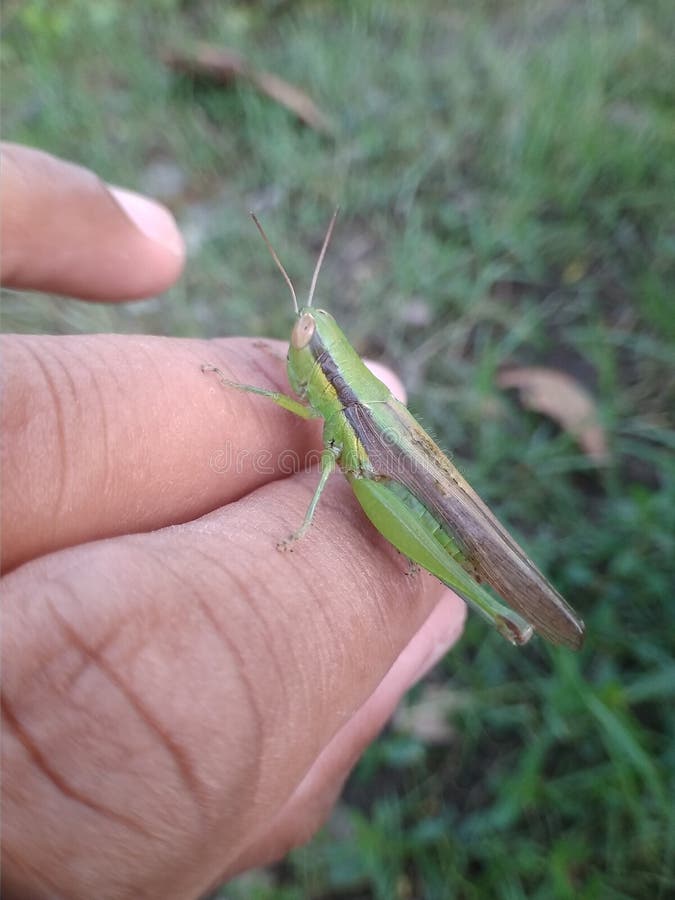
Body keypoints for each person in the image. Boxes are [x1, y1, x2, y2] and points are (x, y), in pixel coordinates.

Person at [0, 143, 465, 900]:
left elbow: (334, 464)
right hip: (378, 450)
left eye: (308, 347)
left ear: (327, 363)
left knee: (350, 481)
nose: (295, 351)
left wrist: (296, 519)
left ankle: (490, 595)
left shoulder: (339, 400)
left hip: (398, 478)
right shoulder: (328, 388)